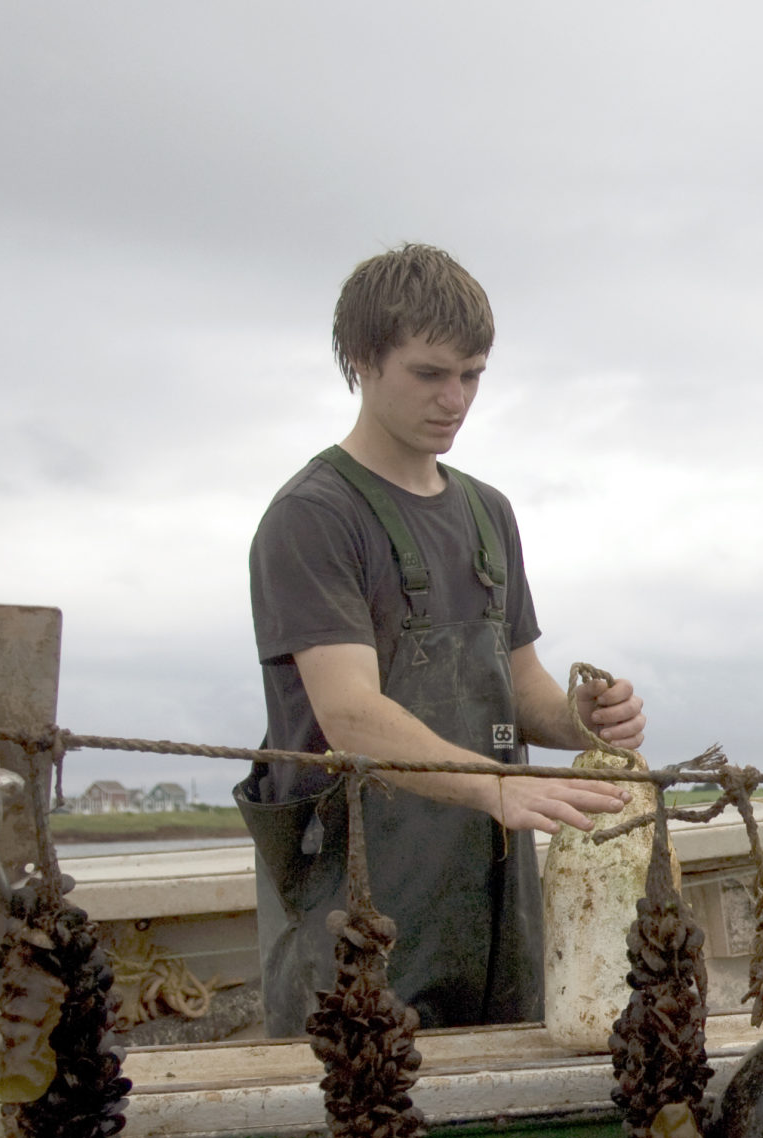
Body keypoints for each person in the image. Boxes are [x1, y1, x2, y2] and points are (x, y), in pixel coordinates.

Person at [236, 244, 647, 1037]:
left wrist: (582, 721)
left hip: (491, 905)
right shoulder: (313, 517)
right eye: (429, 374)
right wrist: (495, 786)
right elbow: (349, 714)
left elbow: (520, 686)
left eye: (471, 375)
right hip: (356, 906)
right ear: (362, 361)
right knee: (367, 1097)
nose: (454, 399)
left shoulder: (489, 513)